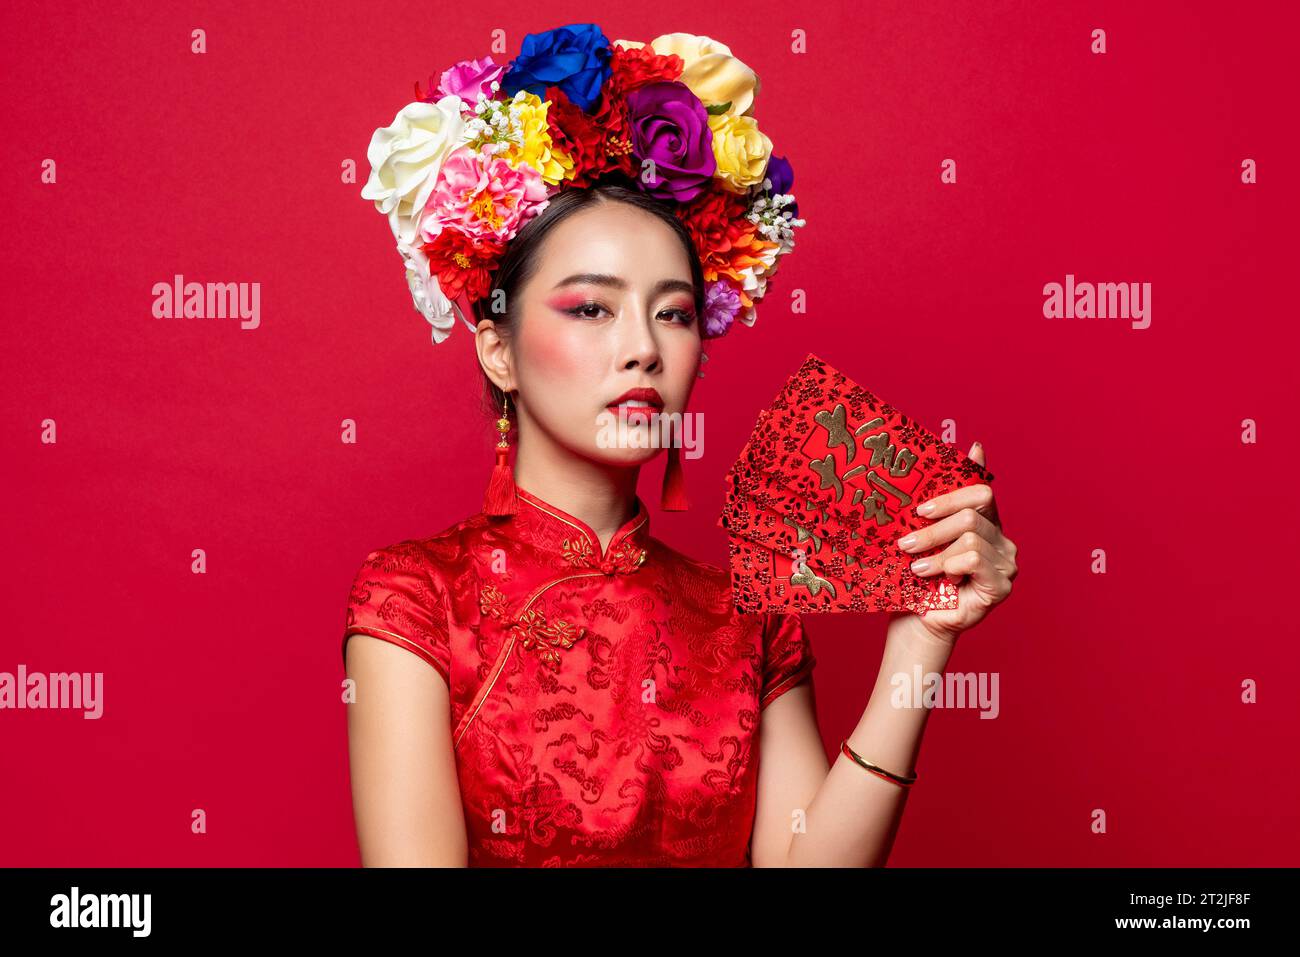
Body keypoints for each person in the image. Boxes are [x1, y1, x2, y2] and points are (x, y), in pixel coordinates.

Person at [342, 25, 1018, 867]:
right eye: (591, 307)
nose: (644, 349)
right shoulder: (416, 599)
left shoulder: (750, 617)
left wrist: (922, 642)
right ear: (498, 349)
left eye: (673, 311)